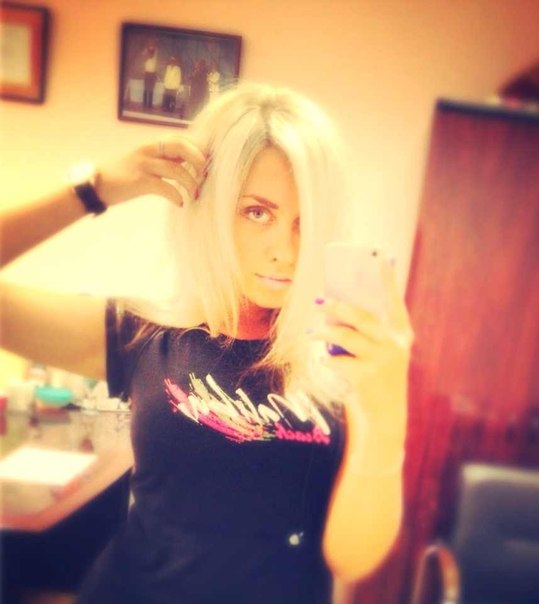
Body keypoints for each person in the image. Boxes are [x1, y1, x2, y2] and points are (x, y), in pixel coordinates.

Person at [0, 83, 412, 603]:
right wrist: (94, 189)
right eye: (257, 212)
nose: (285, 251)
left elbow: (351, 559)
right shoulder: (144, 334)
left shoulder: (344, 354)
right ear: (211, 208)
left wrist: (387, 411)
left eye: (305, 222)